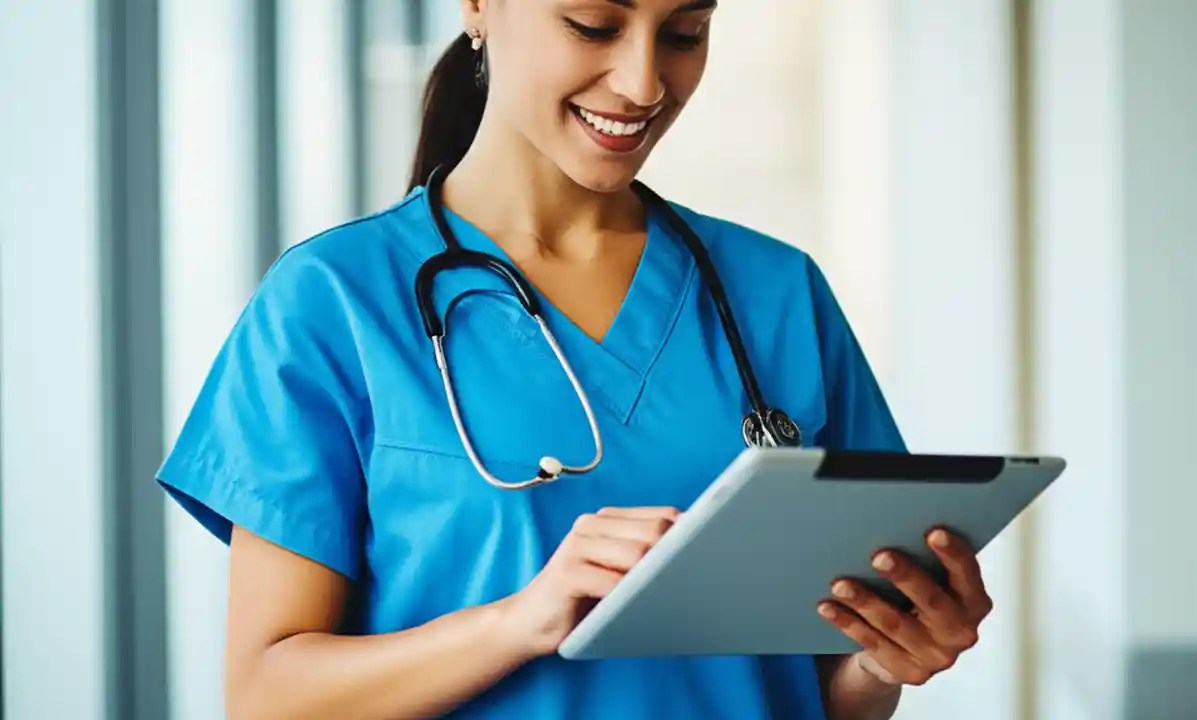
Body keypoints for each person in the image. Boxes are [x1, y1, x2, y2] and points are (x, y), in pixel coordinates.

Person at [156, 1, 993, 717]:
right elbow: (267, 695)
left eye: (685, 32)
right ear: (480, 5)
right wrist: (519, 622)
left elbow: (809, 689)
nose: (644, 83)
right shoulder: (334, 302)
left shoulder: (777, 294)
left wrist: (885, 661)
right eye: (593, 25)